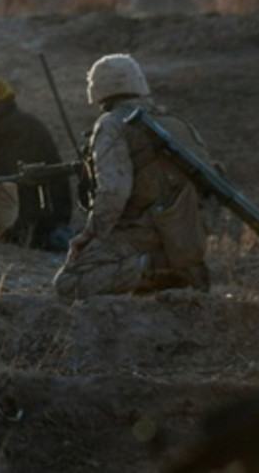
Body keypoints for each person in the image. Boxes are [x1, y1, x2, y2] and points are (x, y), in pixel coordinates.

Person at [54, 53, 212, 300]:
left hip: (144, 233)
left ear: (97, 90)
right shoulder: (174, 122)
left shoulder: (112, 124)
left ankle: (154, 267)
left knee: (68, 283)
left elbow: (114, 191)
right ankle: (173, 265)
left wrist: (90, 233)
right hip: (187, 234)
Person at [0, 76, 73, 251]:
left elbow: (10, 183)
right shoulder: (15, 124)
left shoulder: (15, 130)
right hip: (49, 218)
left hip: (41, 225)